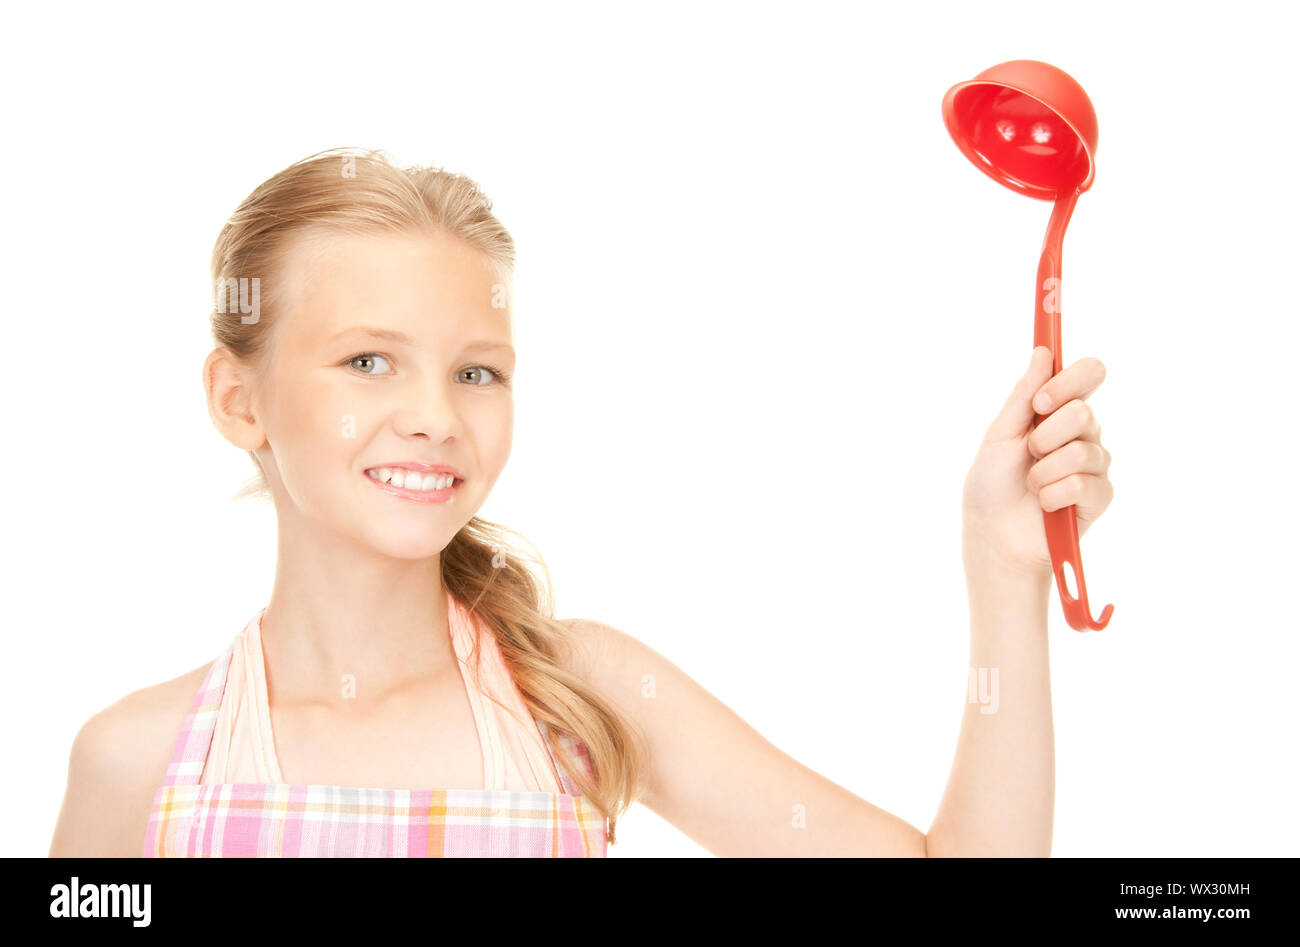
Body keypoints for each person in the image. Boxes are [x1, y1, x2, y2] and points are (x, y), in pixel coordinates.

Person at [48, 147, 1114, 857]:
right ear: (240, 401)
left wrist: (999, 558)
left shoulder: (581, 694)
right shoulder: (135, 759)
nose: (433, 415)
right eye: (368, 359)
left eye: (477, 371)